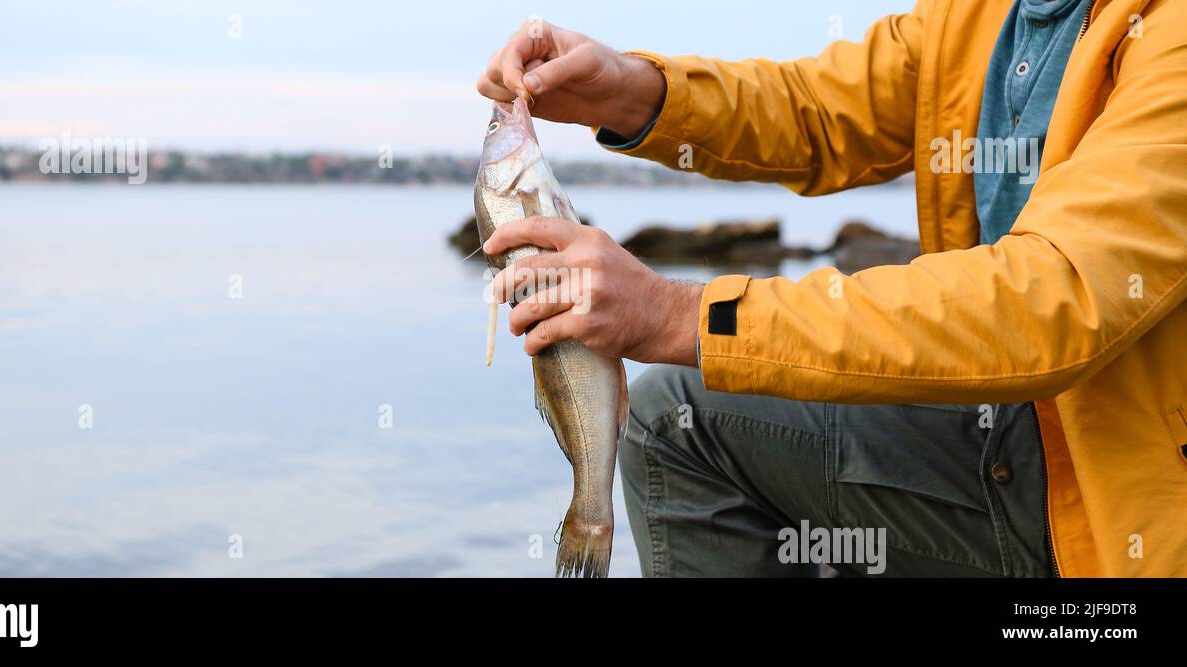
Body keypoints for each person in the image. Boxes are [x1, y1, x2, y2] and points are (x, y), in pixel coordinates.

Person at [477, 0, 1187, 577]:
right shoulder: (974, 14)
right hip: (1000, 431)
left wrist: (679, 315)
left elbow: (1048, 300)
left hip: (1124, 514)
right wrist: (635, 90)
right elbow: (817, 110)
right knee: (675, 422)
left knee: (677, 412)